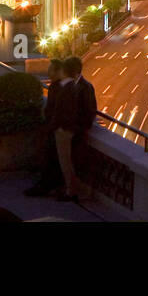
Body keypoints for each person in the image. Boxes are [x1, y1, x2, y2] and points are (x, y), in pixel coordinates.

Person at [52, 56, 98, 203]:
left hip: (73, 131)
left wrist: (77, 127)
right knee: (68, 162)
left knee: (72, 163)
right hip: (69, 129)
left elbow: (90, 111)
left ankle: (74, 191)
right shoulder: (67, 85)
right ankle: (71, 189)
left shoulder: (85, 87)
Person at [24, 58, 65, 197]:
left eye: (51, 69)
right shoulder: (56, 86)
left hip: (56, 129)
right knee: (49, 157)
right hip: (52, 127)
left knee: (51, 157)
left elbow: (58, 110)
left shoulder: (59, 87)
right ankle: (48, 184)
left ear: (58, 71)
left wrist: (50, 127)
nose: (48, 72)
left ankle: (48, 185)